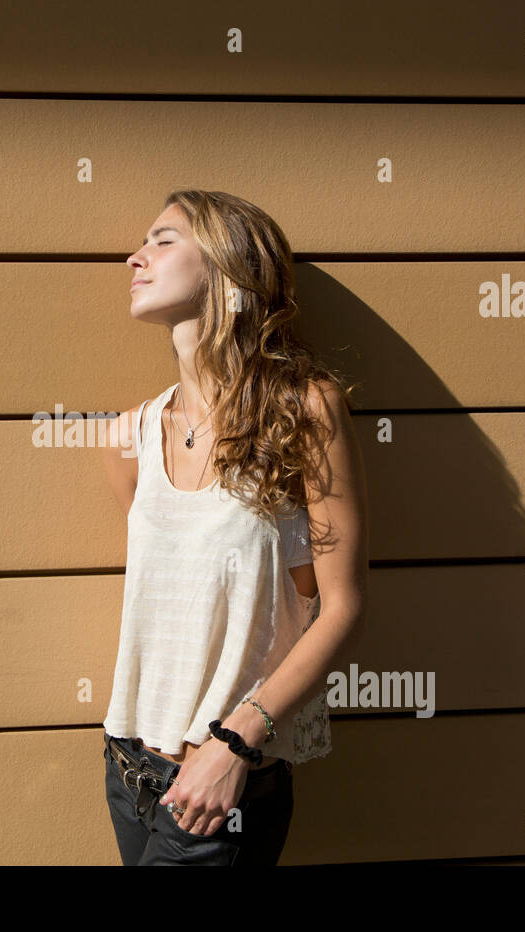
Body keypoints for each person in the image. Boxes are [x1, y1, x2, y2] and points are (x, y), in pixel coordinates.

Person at [98, 189, 369, 865]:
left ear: (228, 266)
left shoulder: (306, 411)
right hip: (127, 767)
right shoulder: (129, 435)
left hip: (224, 786)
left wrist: (237, 741)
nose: (136, 257)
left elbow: (341, 605)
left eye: (163, 241)